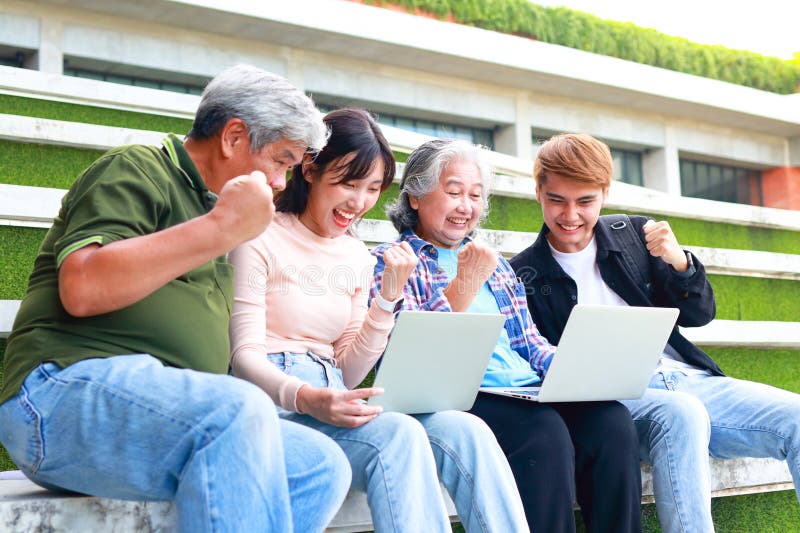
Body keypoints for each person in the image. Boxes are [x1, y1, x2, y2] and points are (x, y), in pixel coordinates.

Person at [0, 64, 352, 532]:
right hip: (57, 396)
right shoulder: (138, 169)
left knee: (319, 464)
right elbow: (82, 288)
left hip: (164, 422)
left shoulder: (220, 213)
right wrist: (221, 227)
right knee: (236, 409)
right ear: (233, 137)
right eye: (280, 160)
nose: (282, 182)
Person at [228, 108, 529, 533]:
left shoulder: (353, 252)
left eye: (372, 188)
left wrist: (387, 299)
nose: (359, 202)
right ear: (310, 170)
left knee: (468, 430)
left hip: (332, 391)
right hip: (273, 398)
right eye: (349, 184)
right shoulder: (260, 236)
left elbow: (349, 371)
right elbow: (243, 355)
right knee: (398, 436)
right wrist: (306, 397)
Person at [509, 132, 800, 533]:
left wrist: (680, 263)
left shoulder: (635, 236)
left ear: (605, 193)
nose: (570, 215)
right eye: (557, 199)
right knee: (683, 414)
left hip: (688, 380)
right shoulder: (522, 275)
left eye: (585, 201)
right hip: (618, 402)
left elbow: (699, 315)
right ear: (538, 191)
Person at [372, 138, 643, 533]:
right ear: (415, 197)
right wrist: (464, 284)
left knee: (611, 423)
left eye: (475, 195)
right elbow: (414, 363)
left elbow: (528, 344)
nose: (466, 206)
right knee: (543, 433)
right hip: (461, 396)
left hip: (524, 390)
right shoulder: (393, 261)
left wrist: (578, 370)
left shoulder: (497, 267)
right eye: (453, 192)